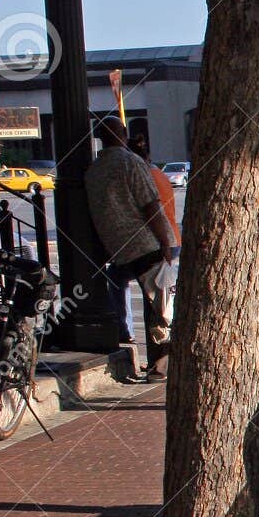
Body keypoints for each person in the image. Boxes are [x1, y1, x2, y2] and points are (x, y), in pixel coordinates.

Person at [84, 119, 176, 381]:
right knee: (162, 309)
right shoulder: (130, 162)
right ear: (122, 135)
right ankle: (159, 367)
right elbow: (150, 206)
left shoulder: (94, 170)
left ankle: (124, 334)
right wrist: (165, 243)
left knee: (128, 296)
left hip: (117, 247)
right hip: (147, 245)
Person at [129, 131, 181, 377]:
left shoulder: (142, 178)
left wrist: (162, 245)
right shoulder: (159, 174)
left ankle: (160, 366)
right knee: (163, 304)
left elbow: (152, 212)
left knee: (158, 308)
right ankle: (160, 364)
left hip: (160, 244)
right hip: (171, 240)